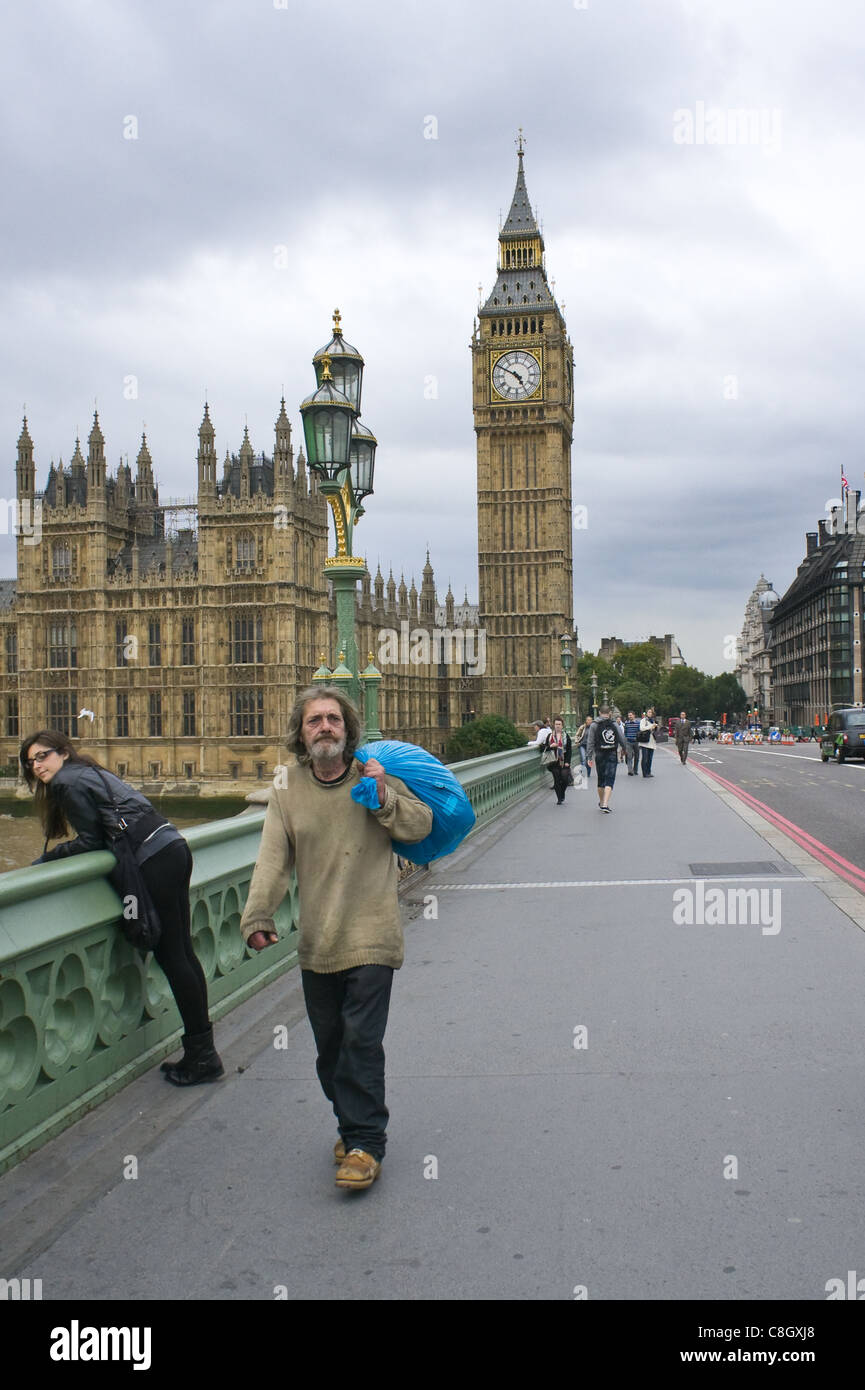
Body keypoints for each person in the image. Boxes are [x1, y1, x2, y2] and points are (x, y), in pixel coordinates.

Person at [239, 687, 432, 1192]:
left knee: (360, 1042)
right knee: (329, 1049)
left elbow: (420, 825)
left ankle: (367, 1143)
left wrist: (385, 796)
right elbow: (272, 858)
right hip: (318, 940)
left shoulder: (373, 774)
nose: (324, 727)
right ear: (301, 734)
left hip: (372, 934)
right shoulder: (286, 785)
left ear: (347, 728)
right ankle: (352, 1124)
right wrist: (258, 913)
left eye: (332, 719)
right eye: (314, 721)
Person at [20, 729, 222, 1086]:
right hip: (171, 846)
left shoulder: (66, 781)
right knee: (184, 954)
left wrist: (49, 858)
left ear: (63, 753)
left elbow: (92, 841)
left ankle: (203, 1056)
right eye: (30, 761)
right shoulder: (91, 771)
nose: (36, 765)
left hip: (152, 858)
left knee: (173, 958)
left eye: (43, 756)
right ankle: (202, 1051)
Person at [587, 704, 629, 812]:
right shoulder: (614, 724)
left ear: (600, 713)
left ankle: (601, 802)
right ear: (609, 713)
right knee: (610, 779)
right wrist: (624, 749)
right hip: (611, 753)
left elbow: (590, 742)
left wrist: (589, 757)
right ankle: (605, 804)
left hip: (599, 753)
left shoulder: (594, 725)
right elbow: (622, 738)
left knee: (601, 779)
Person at [543, 716, 572, 805]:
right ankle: (559, 798)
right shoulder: (550, 736)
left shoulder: (566, 736)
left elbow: (569, 750)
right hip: (553, 762)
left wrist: (567, 762)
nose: (558, 726)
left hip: (563, 761)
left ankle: (562, 793)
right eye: (556, 724)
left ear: (562, 725)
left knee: (565, 779)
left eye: (559, 724)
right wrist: (550, 746)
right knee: (557, 780)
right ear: (554, 725)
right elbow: (543, 748)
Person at [638, 708, 658, 778]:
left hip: (652, 742)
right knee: (645, 758)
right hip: (645, 742)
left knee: (650, 758)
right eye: (649, 712)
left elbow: (655, 730)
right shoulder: (643, 720)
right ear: (646, 713)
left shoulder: (654, 721)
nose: (650, 713)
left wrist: (655, 727)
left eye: (651, 712)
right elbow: (641, 728)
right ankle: (644, 773)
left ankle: (648, 772)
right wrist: (651, 726)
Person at [575, 714, 593, 780]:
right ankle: (583, 773)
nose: (589, 721)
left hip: (589, 746)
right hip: (582, 745)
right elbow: (577, 735)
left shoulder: (593, 728)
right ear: (586, 721)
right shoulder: (582, 727)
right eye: (588, 720)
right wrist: (577, 742)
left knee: (589, 759)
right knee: (583, 759)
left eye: (590, 720)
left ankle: (588, 772)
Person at [623, 710, 641, 776]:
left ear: (634, 715)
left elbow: (640, 732)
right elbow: (625, 732)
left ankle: (635, 770)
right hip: (629, 742)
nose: (629, 716)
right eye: (629, 715)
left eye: (630, 715)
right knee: (629, 757)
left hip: (636, 742)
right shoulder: (626, 723)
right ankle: (630, 771)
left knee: (637, 757)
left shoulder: (638, 723)